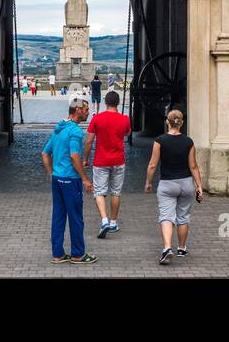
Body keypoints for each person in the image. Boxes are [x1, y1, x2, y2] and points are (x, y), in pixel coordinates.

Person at [144, 107, 203, 264]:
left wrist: (148, 182)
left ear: (167, 122)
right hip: (186, 184)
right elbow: (194, 166)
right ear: (181, 123)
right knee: (183, 217)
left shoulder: (160, 141)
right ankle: (182, 248)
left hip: (167, 184)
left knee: (166, 216)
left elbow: (152, 164)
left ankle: (167, 248)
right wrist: (199, 186)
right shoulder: (188, 141)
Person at [41, 97, 96, 264]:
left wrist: (51, 173)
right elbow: (74, 156)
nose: (88, 112)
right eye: (86, 109)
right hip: (70, 180)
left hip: (57, 178)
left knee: (58, 217)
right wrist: (85, 179)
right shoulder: (76, 131)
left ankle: (57, 254)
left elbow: (45, 153)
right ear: (78, 110)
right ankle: (78, 254)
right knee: (76, 217)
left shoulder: (58, 129)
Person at [84, 91, 131, 238]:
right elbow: (127, 134)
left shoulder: (97, 119)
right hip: (118, 160)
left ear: (105, 102)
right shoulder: (125, 119)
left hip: (101, 160)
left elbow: (89, 141)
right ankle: (113, 222)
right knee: (116, 192)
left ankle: (104, 220)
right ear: (118, 103)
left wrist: (85, 159)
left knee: (99, 191)